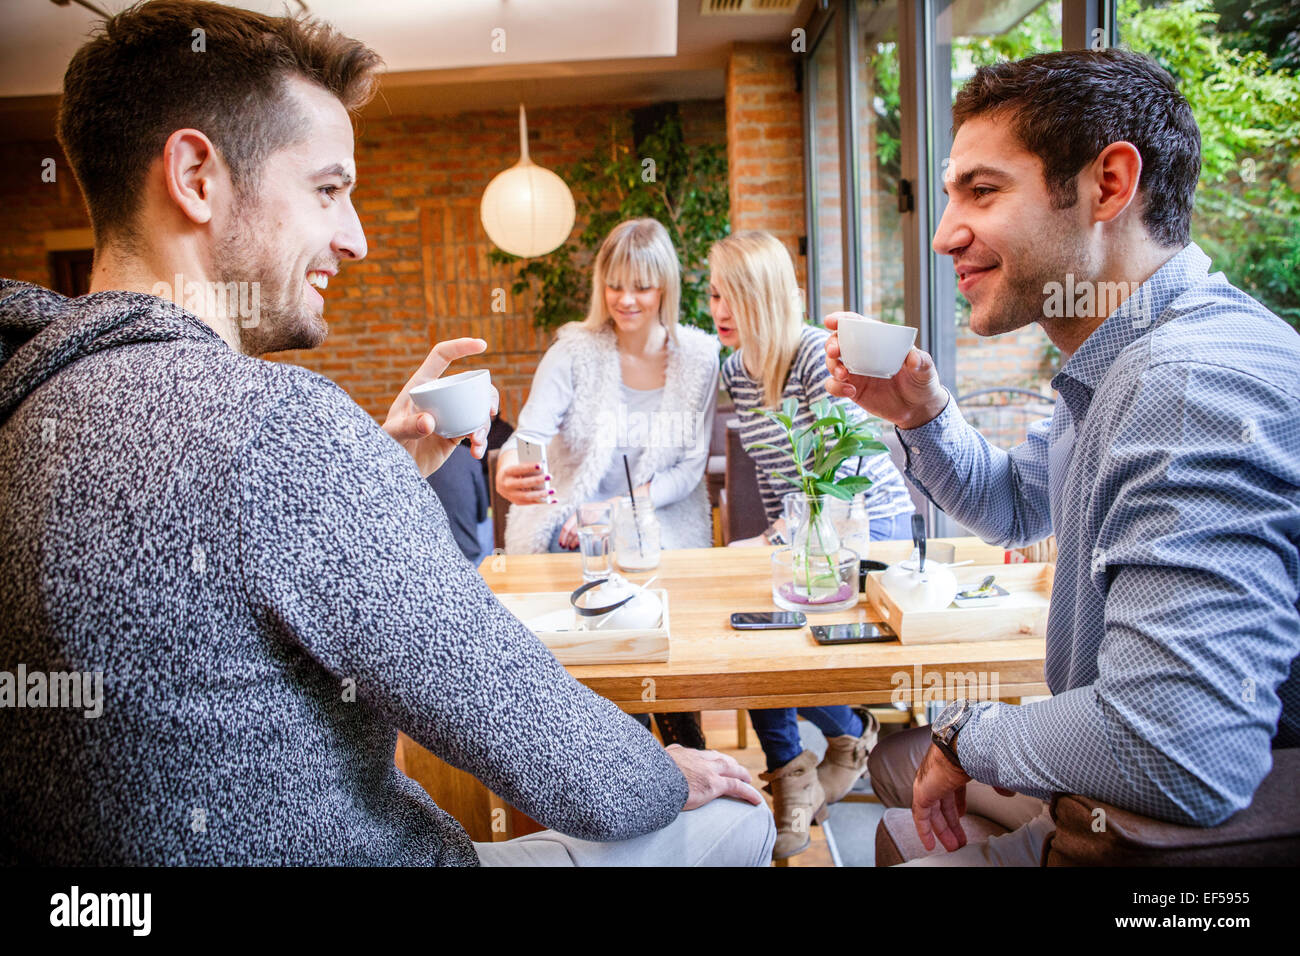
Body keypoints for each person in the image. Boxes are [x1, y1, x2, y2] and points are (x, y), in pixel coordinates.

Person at [0, 0, 773, 866]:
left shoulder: (28, 406)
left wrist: (377, 471)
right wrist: (665, 771)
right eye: (328, 189)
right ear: (196, 177)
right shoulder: (271, 425)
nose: (356, 238)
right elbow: (536, 739)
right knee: (739, 817)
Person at [825, 48, 1300, 866]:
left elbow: (1178, 746)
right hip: (1113, 804)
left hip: (1175, 848)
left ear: (1108, 186)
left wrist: (967, 736)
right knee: (896, 769)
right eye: (949, 195)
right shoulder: (1122, 355)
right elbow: (1018, 505)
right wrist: (925, 416)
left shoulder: (1185, 386)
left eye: (982, 190)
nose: (944, 235)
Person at [709, 229, 915, 858]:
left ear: (765, 298)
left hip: (869, 530)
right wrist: (773, 542)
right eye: (713, 295)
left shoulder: (809, 358)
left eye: (732, 297)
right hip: (804, 532)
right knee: (754, 632)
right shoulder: (738, 372)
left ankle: (828, 756)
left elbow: (839, 476)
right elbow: (781, 481)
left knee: (778, 638)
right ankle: (809, 764)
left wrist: (774, 542)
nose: (718, 311)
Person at [495, 218, 719, 557]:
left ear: (664, 288)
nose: (626, 300)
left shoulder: (699, 359)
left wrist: (619, 508)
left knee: (639, 546)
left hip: (656, 513)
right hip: (571, 514)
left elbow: (689, 470)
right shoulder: (571, 352)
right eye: (615, 286)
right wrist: (514, 465)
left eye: (642, 287)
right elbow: (530, 436)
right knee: (572, 549)